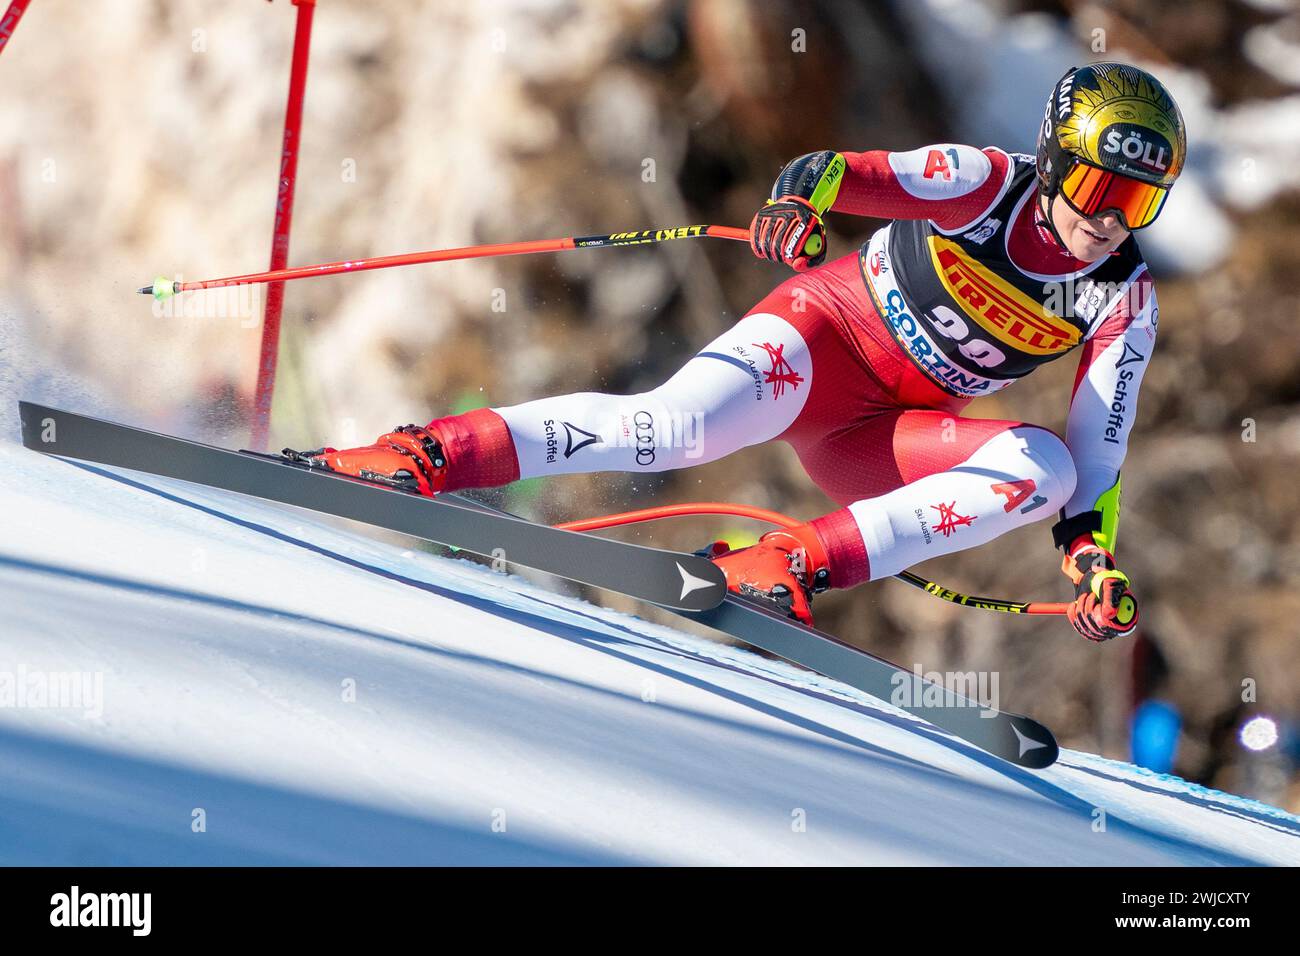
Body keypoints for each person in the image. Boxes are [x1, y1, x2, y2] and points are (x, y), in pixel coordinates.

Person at [293, 62, 1185, 641]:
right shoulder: (983, 185)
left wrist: (1090, 560)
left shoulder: (1122, 297)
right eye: (1098, 186)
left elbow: (1099, 450)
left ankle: (794, 561)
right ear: (1053, 158)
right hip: (821, 343)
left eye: (1138, 204)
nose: (1107, 220)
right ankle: (429, 454)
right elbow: (837, 169)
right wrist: (800, 205)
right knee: (672, 429)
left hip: (882, 438)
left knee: (1049, 470)